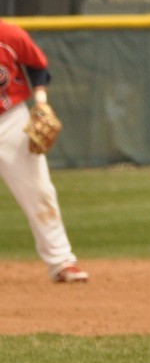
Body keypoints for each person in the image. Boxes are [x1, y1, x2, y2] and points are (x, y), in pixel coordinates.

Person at [0, 19, 89, 282]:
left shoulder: (9, 34)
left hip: (10, 120)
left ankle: (61, 261)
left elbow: (38, 66)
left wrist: (41, 101)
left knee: (38, 191)